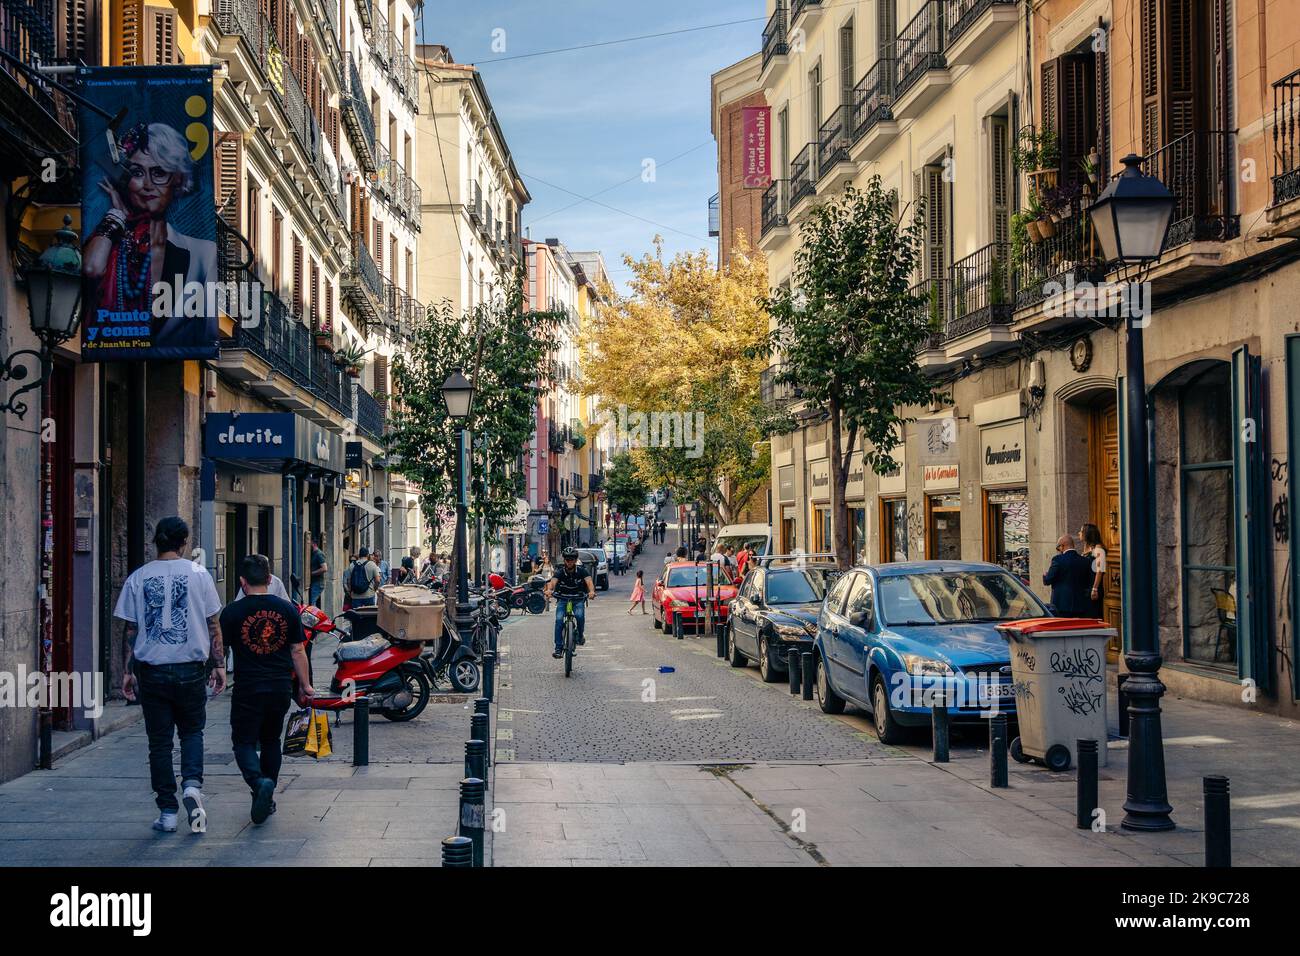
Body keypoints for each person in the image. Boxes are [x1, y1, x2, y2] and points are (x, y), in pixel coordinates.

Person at [115, 516, 224, 834]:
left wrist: (127, 671)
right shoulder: (199, 575)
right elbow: (213, 623)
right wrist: (219, 664)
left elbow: (130, 629)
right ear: (184, 543)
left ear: (156, 542)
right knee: (192, 732)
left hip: (153, 672)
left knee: (160, 743)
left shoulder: (138, 577)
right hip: (191, 669)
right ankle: (191, 784)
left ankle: (167, 812)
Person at [83, 123, 217, 350]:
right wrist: (116, 215)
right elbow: (91, 268)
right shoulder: (113, 239)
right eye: (137, 173)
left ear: (178, 179)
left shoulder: (203, 253)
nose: (147, 185)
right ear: (125, 180)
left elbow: (208, 334)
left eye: (159, 173)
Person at [221, 554, 315, 825]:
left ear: (242, 582)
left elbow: (220, 648)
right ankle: (267, 794)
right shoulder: (287, 609)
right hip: (279, 686)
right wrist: (305, 685)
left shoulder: (232, 612)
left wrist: (217, 670)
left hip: (247, 688)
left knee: (243, 741)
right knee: (271, 739)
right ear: (270, 579)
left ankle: (258, 782)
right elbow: (298, 650)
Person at [544, 546, 596, 659]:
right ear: (564, 560)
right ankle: (558, 648)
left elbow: (589, 582)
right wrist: (549, 590)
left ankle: (580, 635)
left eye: (572, 559)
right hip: (563, 599)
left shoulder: (582, 571)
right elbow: (553, 582)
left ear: (575, 560)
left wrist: (591, 591)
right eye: (567, 559)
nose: (569, 562)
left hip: (578, 599)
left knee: (579, 616)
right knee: (559, 620)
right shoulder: (559, 572)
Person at [1043, 534, 1094, 616]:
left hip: (1061, 604)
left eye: (1058, 548)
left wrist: (1045, 575)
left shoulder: (1057, 559)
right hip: (1081, 605)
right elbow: (1089, 581)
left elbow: (1048, 580)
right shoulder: (1085, 561)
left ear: (1062, 546)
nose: (1059, 550)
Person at [1080, 523, 1108, 617]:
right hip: (1086, 587)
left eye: (1081, 531)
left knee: (1093, 615)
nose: (1079, 533)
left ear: (1087, 534)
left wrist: (1094, 588)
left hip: (1093, 587)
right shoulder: (1087, 547)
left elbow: (1100, 570)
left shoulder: (1098, 548)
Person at [308, 537, 328, 607]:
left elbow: (324, 568)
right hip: (315, 582)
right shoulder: (313, 553)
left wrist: (311, 573)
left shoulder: (319, 554)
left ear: (314, 544)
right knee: (312, 603)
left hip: (318, 583)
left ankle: (315, 614)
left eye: (310, 543)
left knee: (312, 604)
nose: (308, 544)